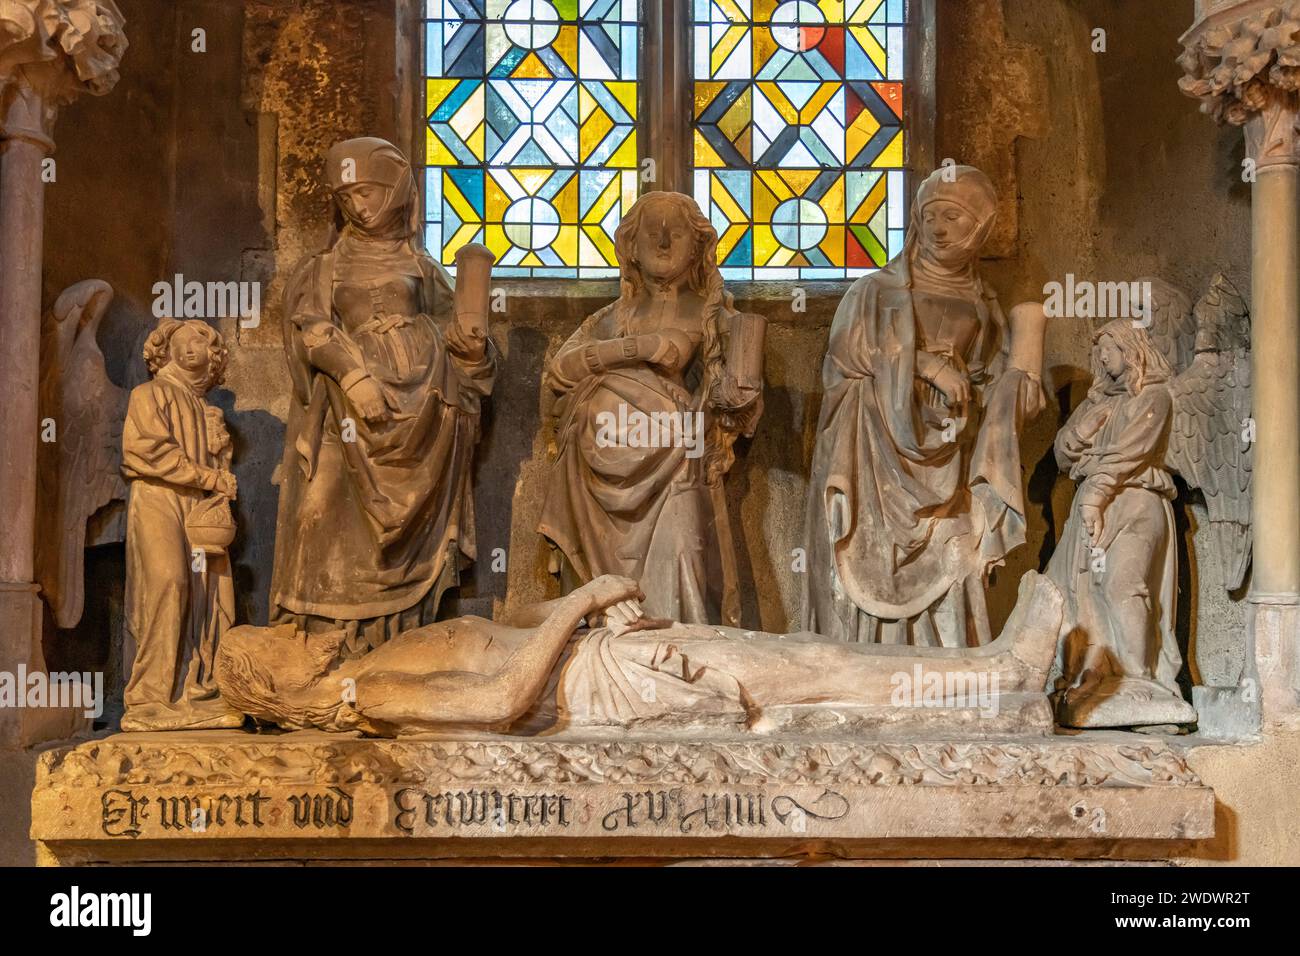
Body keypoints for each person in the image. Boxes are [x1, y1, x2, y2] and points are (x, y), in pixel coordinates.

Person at [270, 137, 496, 657]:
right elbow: (312, 329)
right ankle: (320, 642)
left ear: (395, 192)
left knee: (403, 530)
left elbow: (465, 346)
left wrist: (471, 351)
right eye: (345, 196)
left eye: (367, 192)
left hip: (421, 417)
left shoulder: (422, 267)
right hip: (346, 411)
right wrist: (354, 377)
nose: (357, 204)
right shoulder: (324, 267)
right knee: (318, 511)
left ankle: (391, 643)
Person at [803, 165, 1044, 646]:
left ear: (981, 225)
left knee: (956, 549)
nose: (937, 227)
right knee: (867, 554)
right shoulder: (874, 291)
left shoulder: (984, 304)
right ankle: (867, 667)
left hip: (951, 451)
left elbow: (994, 379)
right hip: (876, 452)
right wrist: (923, 368)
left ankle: (947, 673)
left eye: (952, 216)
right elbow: (845, 358)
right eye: (929, 215)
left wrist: (1018, 385)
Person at [538, 191, 760, 625]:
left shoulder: (712, 316)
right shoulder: (609, 318)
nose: (662, 241)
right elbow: (558, 375)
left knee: (684, 546)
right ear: (630, 248)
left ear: (697, 247)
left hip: (678, 463)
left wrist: (736, 398)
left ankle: (683, 653)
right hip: (595, 473)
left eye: (675, 232)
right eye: (649, 232)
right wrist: (638, 348)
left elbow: (735, 406)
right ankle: (602, 647)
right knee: (599, 588)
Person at [1047, 319, 1194, 727]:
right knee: (1079, 590)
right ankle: (1094, 677)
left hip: (1134, 501)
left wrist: (1095, 494)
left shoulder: (1154, 396)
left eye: (1110, 347)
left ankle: (1141, 680)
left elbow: (1130, 453)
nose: (1103, 356)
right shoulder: (1098, 403)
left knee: (1123, 585)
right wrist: (1082, 429)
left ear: (1131, 349)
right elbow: (1062, 455)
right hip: (1092, 506)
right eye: (1100, 351)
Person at [120, 319, 244, 731]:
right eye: (186, 337)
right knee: (168, 581)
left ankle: (193, 689)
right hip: (158, 499)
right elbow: (144, 452)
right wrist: (210, 477)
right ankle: (149, 697)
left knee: (202, 595)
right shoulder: (149, 394)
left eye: (206, 341)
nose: (197, 345)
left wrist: (220, 454)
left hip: (197, 508)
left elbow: (217, 475)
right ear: (164, 348)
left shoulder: (206, 409)